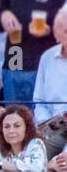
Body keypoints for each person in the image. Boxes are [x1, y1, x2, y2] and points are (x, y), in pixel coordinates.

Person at [32, 8, 67, 158]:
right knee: (33, 152)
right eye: (66, 31)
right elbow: (39, 101)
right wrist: (47, 124)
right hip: (55, 127)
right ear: (56, 35)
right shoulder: (47, 58)